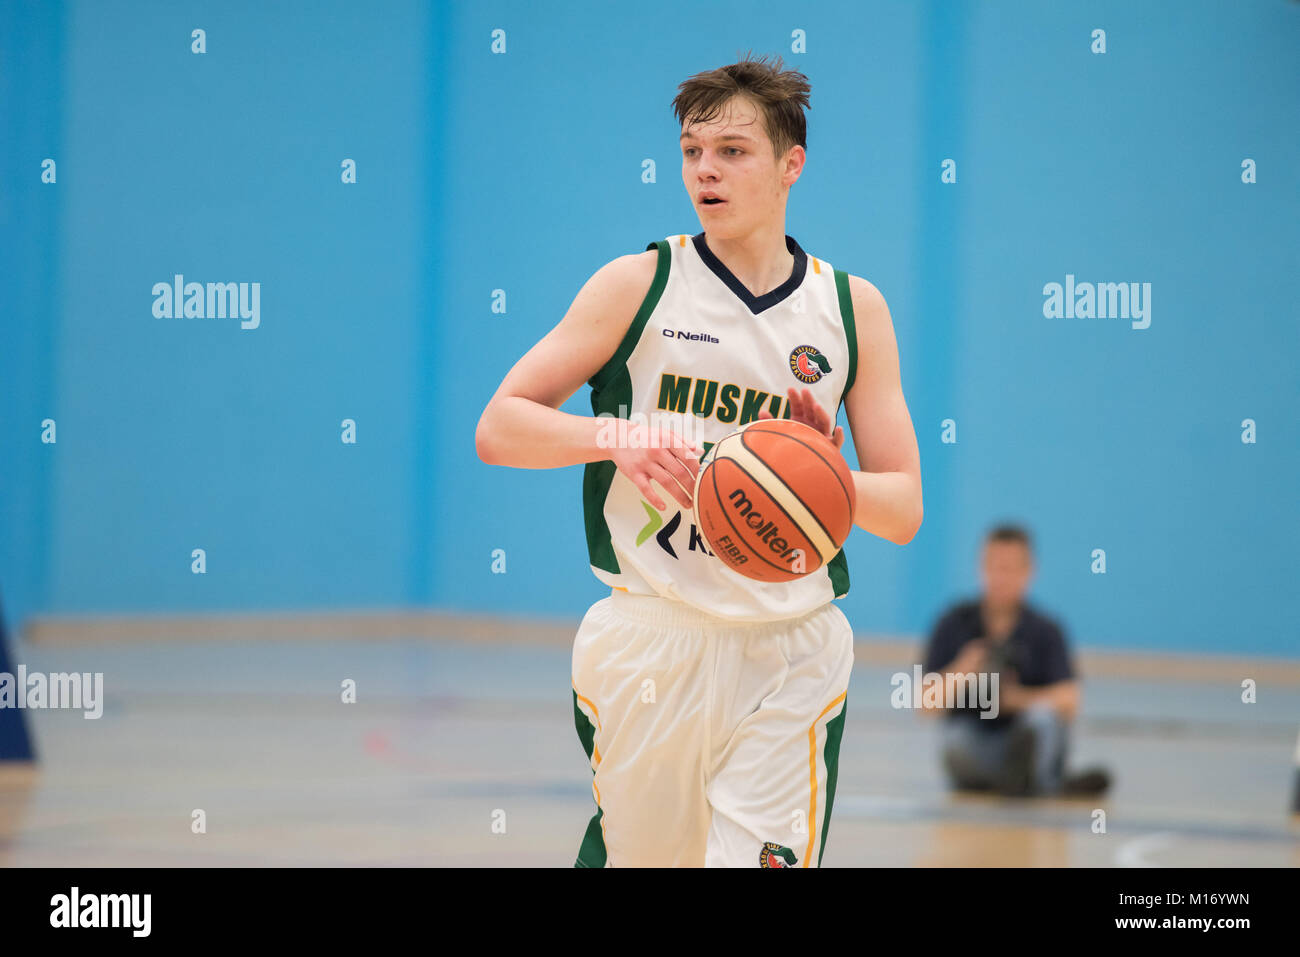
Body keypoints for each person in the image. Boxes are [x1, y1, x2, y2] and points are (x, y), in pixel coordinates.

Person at [476, 54, 922, 866]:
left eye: (732, 151)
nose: (705, 171)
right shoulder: (639, 284)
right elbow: (500, 426)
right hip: (651, 637)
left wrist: (820, 481)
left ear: (792, 165)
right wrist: (618, 436)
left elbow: (903, 509)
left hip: (792, 644)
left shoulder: (853, 310)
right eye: (692, 152)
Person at [921, 525, 1110, 798]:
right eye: (995, 567)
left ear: (1029, 572)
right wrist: (965, 668)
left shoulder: (1046, 629)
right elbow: (925, 704)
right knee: (955, 742)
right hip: (978, 739)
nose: (1001, 577)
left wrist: (1013, 699)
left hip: (1025, 734)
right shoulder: (954, 623)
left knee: (1042, 720)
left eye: (1010, 568)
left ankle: (1026, 778)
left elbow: (1070, 700)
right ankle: (1039, 783)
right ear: (981, 567)